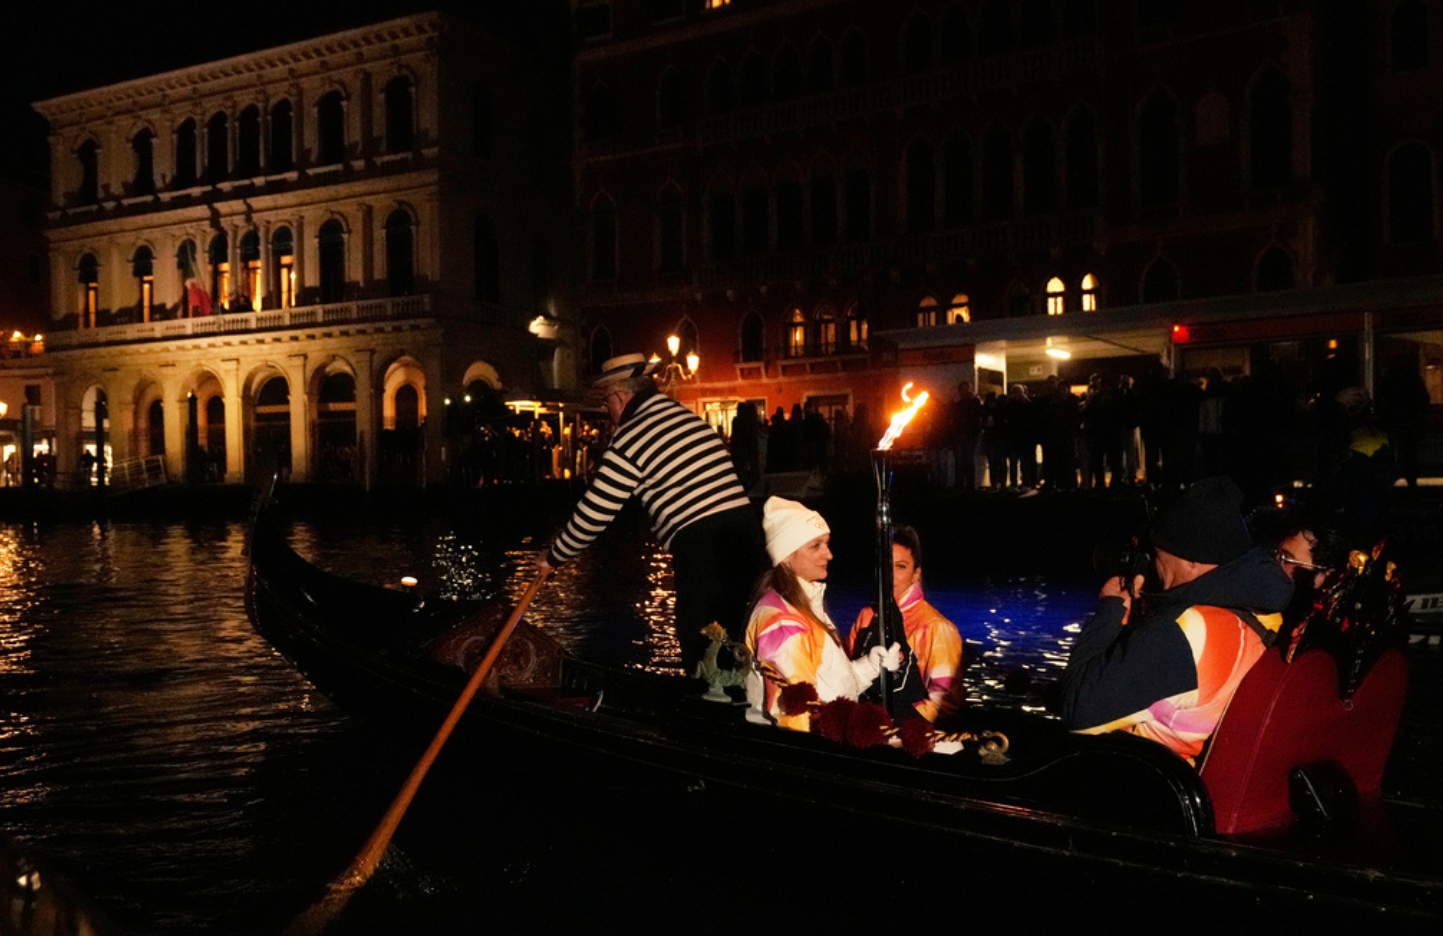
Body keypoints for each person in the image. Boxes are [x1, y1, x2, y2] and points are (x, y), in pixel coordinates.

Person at [539, 353, 765, 673]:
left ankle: (711, 713)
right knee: (738, 639)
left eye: (606, 402)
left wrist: (553, 557)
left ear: (619, 396)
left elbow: (594, 515)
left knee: (702, 647)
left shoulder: (630, 437)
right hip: (747, 538)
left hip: (705, 547)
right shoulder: (683, 417)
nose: (606, 411)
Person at [1058, 476, 1294, 763]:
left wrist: (1110, 611)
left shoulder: (1187, 631)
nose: (1155, 564)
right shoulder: (1264, 612)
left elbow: (1077, 712)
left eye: (1159, 554)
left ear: (1192, 559)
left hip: (1153, 785)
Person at [744, 497, 899, 731]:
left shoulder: (805, 606)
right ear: (786, 555)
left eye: (826, 543)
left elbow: (832, 689)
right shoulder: (783, 622)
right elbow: (796, 717)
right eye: (815, 545)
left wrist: (870, 665)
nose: (828, 554)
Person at [846, 525, 963, 722]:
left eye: (900, 566)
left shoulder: (937, 627)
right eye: (885, 565)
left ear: (916, 574)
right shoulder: (866, 616)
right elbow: (847, 669)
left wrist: (897, 727)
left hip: (908, 735)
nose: (890, 575)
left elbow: (945, 701)